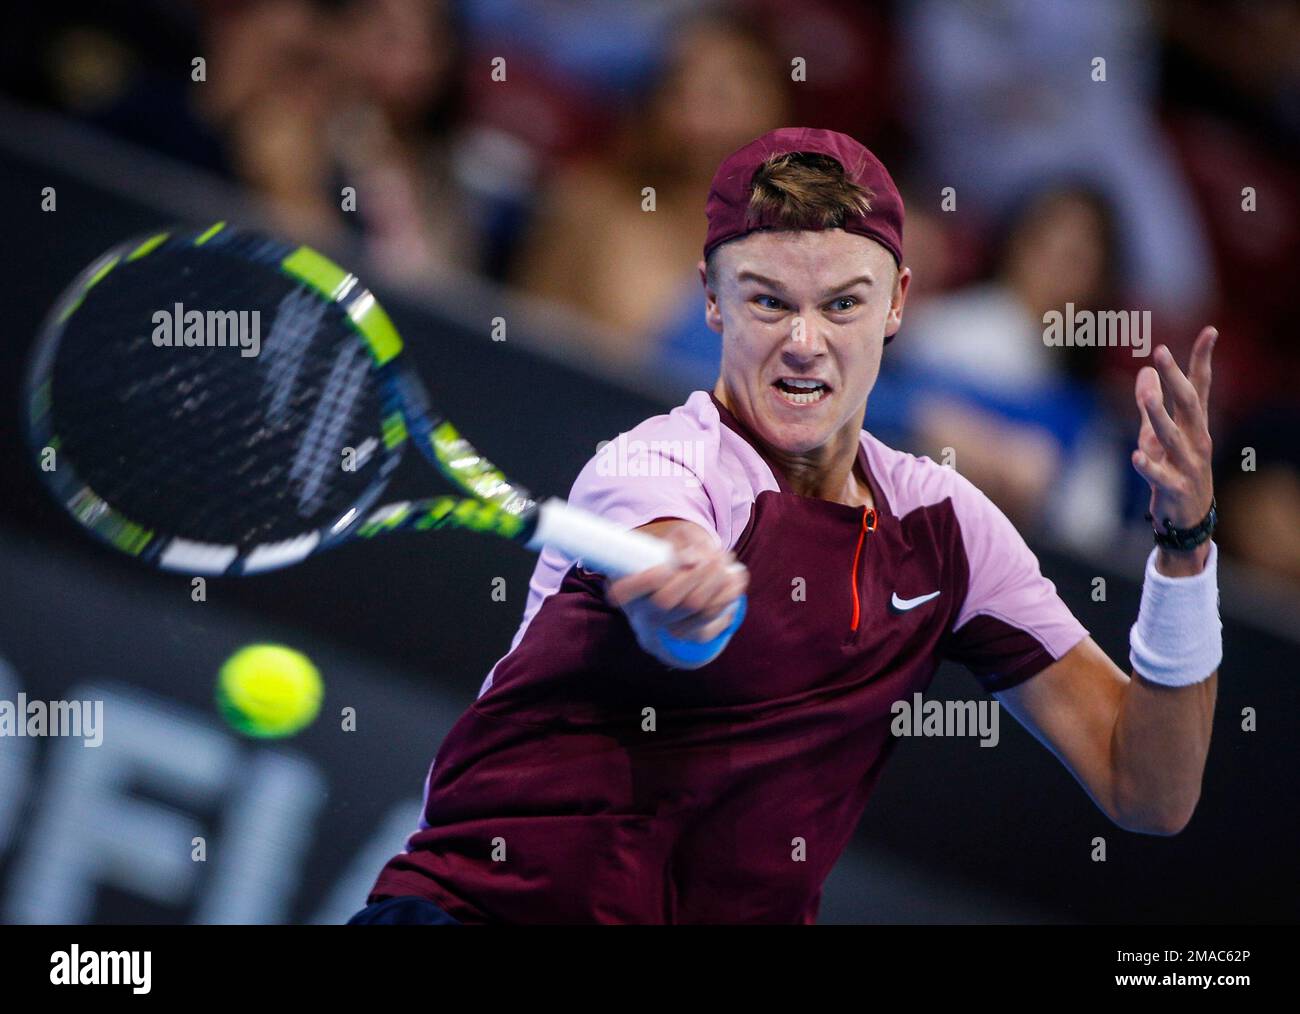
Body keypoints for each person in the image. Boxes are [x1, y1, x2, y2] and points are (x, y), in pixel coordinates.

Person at [351, 127, 1222, 925]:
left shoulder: (949, 530)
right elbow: (672, 566)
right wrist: (683, 595)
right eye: (769, 301)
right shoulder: (654, 463)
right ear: (713, 300)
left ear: (897, 304)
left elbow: (1149, 788)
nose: (805, 342)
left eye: (843, 305)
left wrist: (1185, 546)